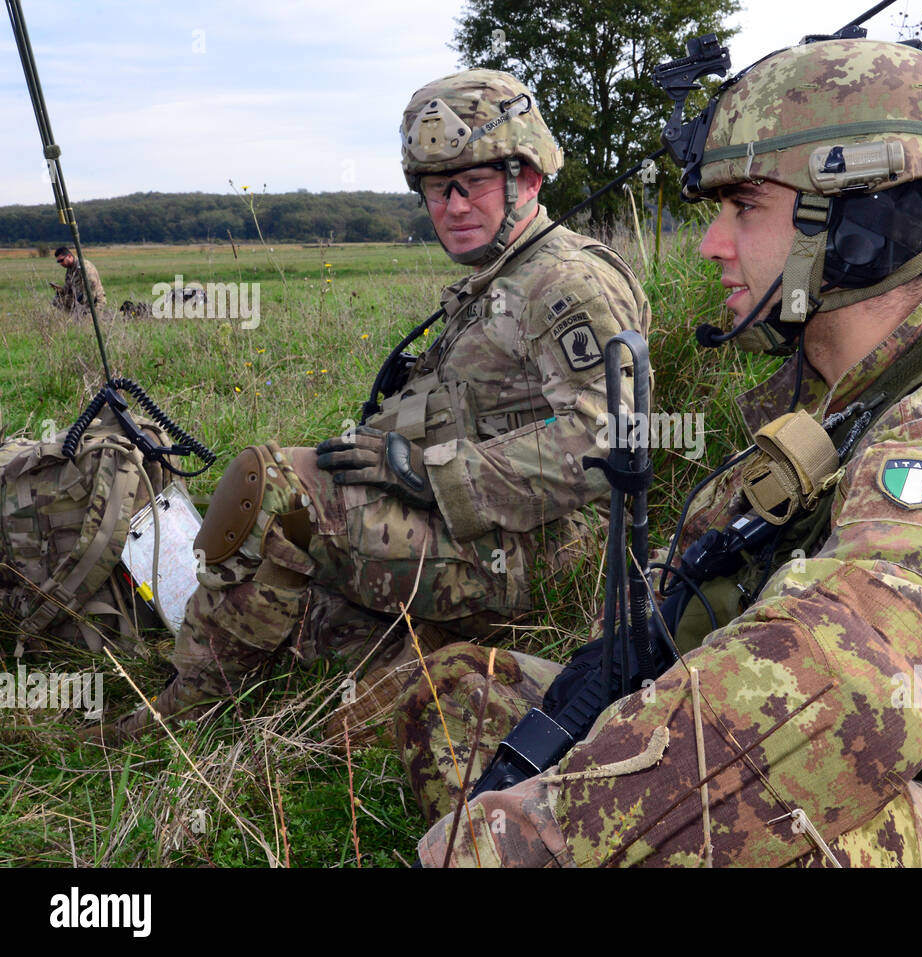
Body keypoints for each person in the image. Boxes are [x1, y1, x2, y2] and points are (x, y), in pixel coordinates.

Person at [395, 37, 922, 867]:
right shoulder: (841, 392)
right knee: (455, 695)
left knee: (738, 824)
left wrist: (542, 829)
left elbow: (839, 690)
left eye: (745, 207)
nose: (712, 244)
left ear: (853, 221)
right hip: (868, 766)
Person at [99, 69, 651, 739]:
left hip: (530, 555)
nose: (450, 207)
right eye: (433, 190)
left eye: (468, 184)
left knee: (275, 482)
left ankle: (186, 709)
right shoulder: (497, 280)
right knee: (293, 595)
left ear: (526, 178)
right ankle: (383, 666)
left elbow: (610, 437)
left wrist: (428, 471)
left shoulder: (565, 282)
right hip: (476, 537)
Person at [51, 246, 107, 314]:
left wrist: (83, 306)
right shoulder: (70, 269)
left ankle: (79, 317)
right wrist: (60, 290)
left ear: (69, 256)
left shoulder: (84, 266)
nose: (60, 263)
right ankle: (72, 317)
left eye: (62, 260)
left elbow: (92, 286)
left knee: (84, 319)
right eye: (58, 261)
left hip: (94, 302)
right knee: (57, 300)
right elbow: (68, 287)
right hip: (79, 300)